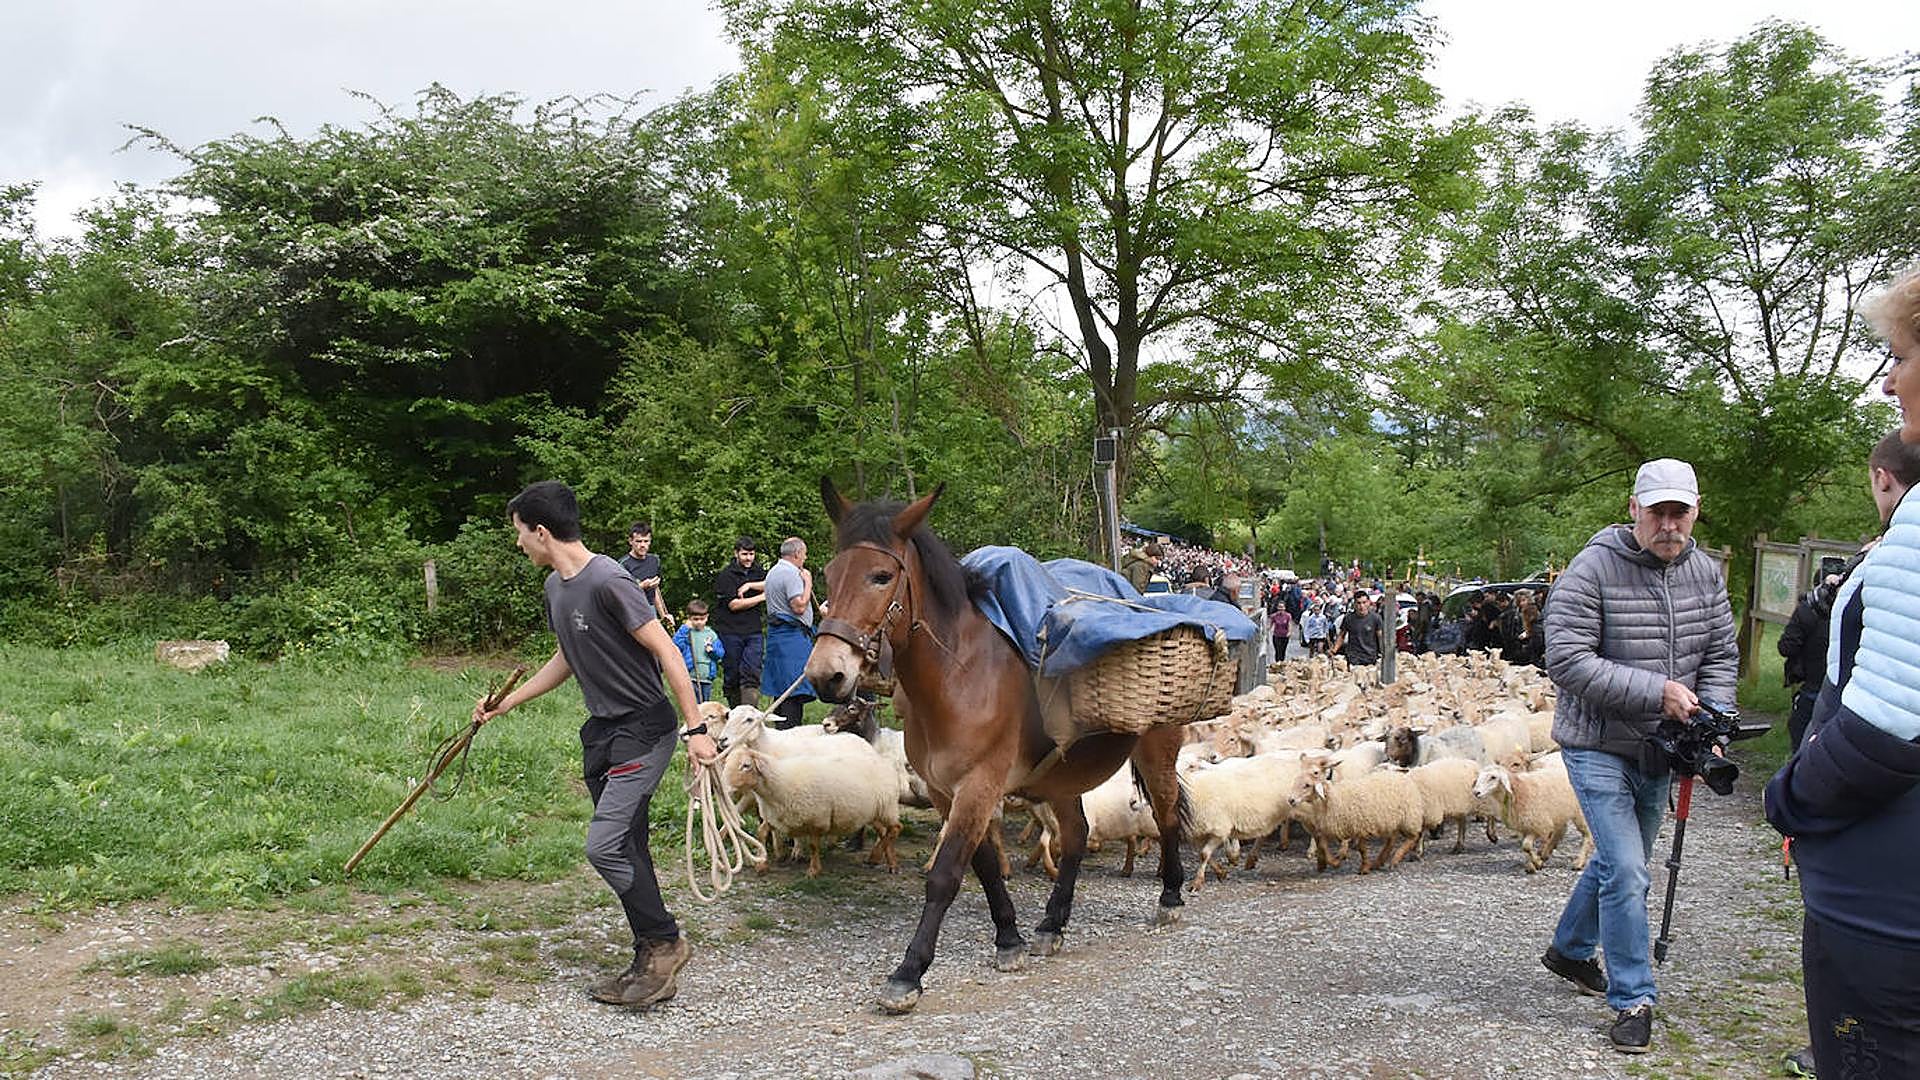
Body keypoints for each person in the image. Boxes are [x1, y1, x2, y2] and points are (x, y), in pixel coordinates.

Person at [472, 481, 716, 1010]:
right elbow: (567, 656)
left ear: (541, 531)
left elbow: (669, 653)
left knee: (605, 845)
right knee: (629, 844)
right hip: (603, 732)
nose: (518, 543)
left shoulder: (610, 580)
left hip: (644, 729)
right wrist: (508, 702)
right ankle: (650, 955)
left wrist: (696, 731)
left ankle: (666, 942)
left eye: (519, 532)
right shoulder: (556, 588)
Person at [1766, 264, 1920, 1080]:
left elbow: (1886, 729)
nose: (1890, 381)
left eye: (1900, 356)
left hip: (1884, 910)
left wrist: (1790, 797)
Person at [1539, 457, 1738, 1054]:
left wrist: (1712, 721)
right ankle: (1634, 998)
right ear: (1634, 510)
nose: (1669, 525)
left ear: (1696, 512)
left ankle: (1569, 950)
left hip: (1664, 748)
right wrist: (1658, 692)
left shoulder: (1705, 573)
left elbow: (1720, 656)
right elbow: (1567, 659)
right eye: (1658, 512)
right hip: (1598, 742)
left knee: (1618, 863)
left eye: (1680, 512)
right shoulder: (1592, 569)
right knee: (1628, 870)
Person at [758, 537, 817, 729]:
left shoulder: (774, 571)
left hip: (780, 638)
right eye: (805, 554)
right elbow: (799, 606)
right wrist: (808, 583)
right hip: (790, 637)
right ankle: (790, 732)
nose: (805, 558)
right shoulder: (791, 573)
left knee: (782, 689)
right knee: (793, 689)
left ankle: (782, 731)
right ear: (797, 553)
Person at [710, 537, 767, 709]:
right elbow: (734, 605)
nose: (749, 558)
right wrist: (762, 597)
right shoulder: (726, 575)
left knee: (752, 672)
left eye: (751, 554)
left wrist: (750, 585)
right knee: (733, 674)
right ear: (736, 554)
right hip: (730, 631)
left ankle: (749, 712)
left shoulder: (758, 571)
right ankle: (735, 712)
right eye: (744, 554)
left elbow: (772, 584)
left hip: (754, 631)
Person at [672, 599, 725, 704]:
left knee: (705, 703)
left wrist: (712, 651)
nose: (699, 622)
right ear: (689, 618)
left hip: (706, 676)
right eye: (695, 619)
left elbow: (720, 654)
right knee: (693, 702)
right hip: (691, 675)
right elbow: (675, 644)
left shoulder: (711, 634)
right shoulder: (687, 632)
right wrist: (684, 628)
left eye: (702, 619)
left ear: (707, 617)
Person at [617, 523, 668, 625]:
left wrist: (664, 615)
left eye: (646, 541)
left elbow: (655, 590)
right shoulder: (623, 564)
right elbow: (620, 593)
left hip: (650, 608)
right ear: (631, 541)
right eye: (638, 541)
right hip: (631, 610)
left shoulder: (654, 560)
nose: (642, 545)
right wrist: (642, 586)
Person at [1331, 593, 1383, 671]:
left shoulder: (1376, 618)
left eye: (1364, 602)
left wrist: (1384, 653)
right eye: (1358, 603)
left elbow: (1380, 637)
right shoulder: (1348, 618)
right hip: (1353, 658)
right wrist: (1334, 650)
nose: (1361, 606)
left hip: (1371, 658)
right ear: (1355, 604)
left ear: (1369, 602)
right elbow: (1341, 635)